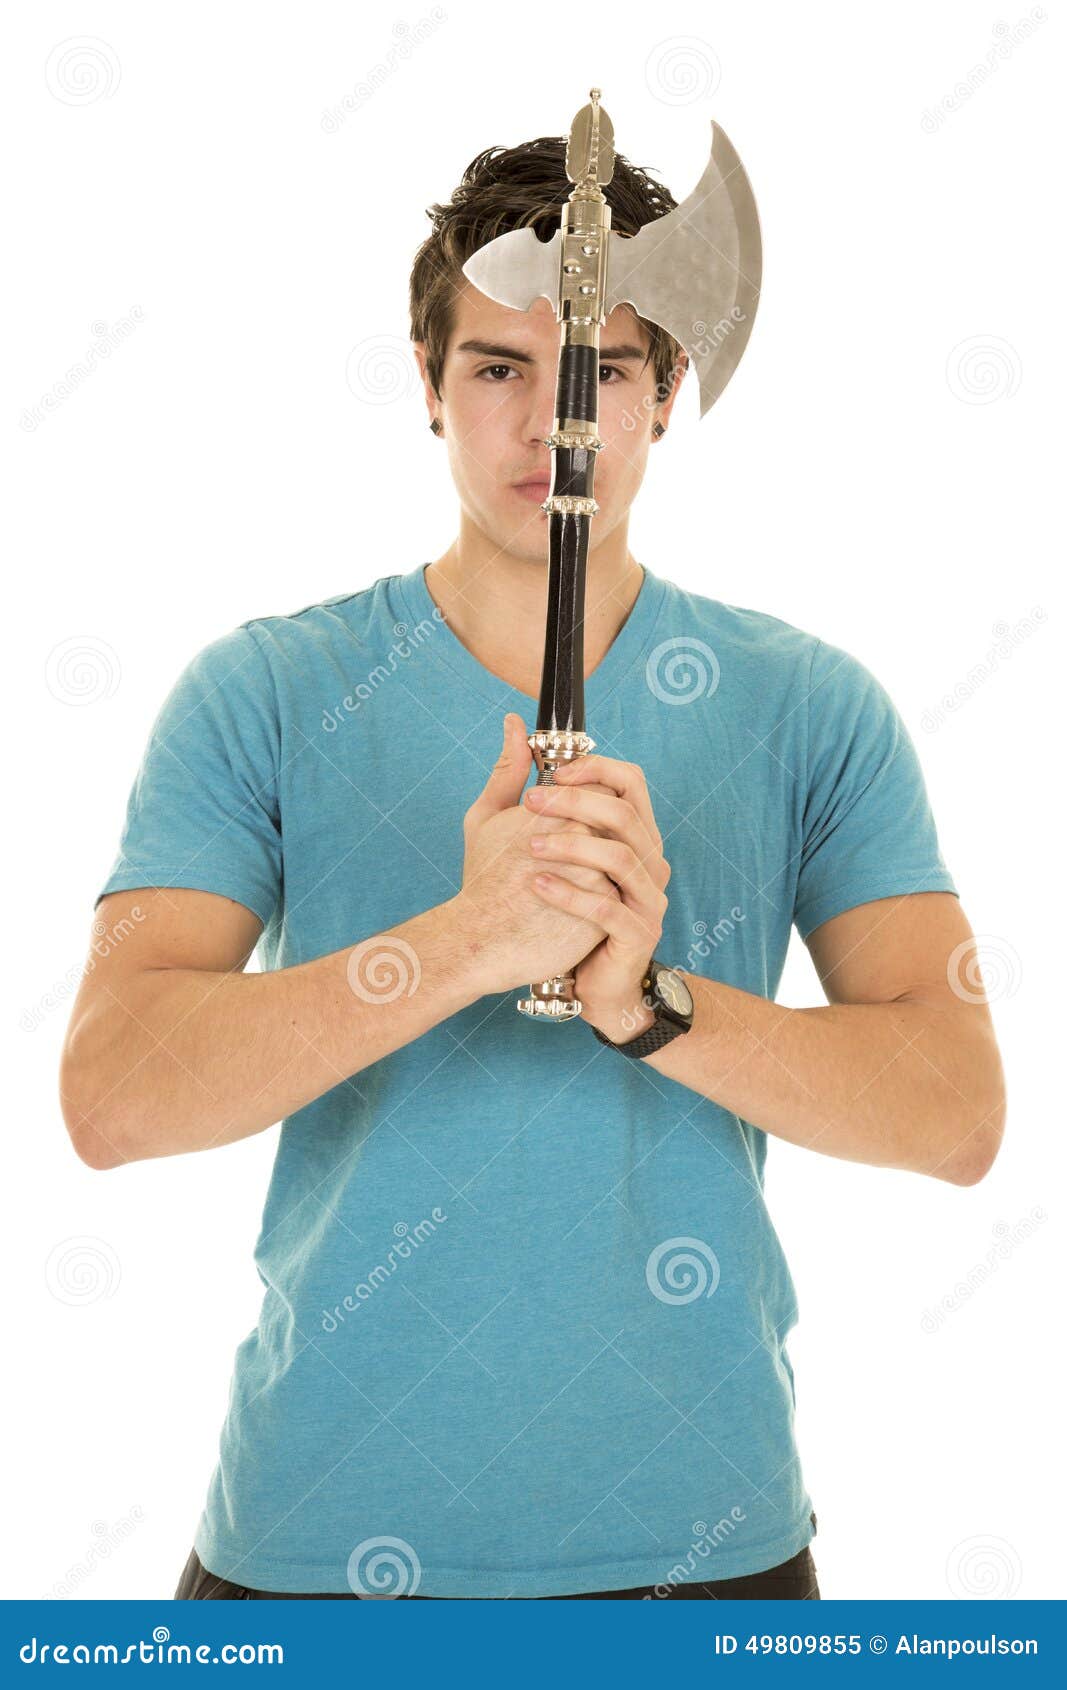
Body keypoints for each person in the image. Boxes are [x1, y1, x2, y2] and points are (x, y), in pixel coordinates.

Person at [59, 135, 1006, 1602]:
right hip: (315, 1553)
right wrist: (463, 942)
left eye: (604, 373)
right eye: (501, 367)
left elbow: (956, 1115)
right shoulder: (262, 690)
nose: (553, 424)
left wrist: (652, 1004)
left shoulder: (811, 706)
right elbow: (111, 1098)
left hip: (709, 1556)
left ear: (667, 397)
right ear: (427, 386)